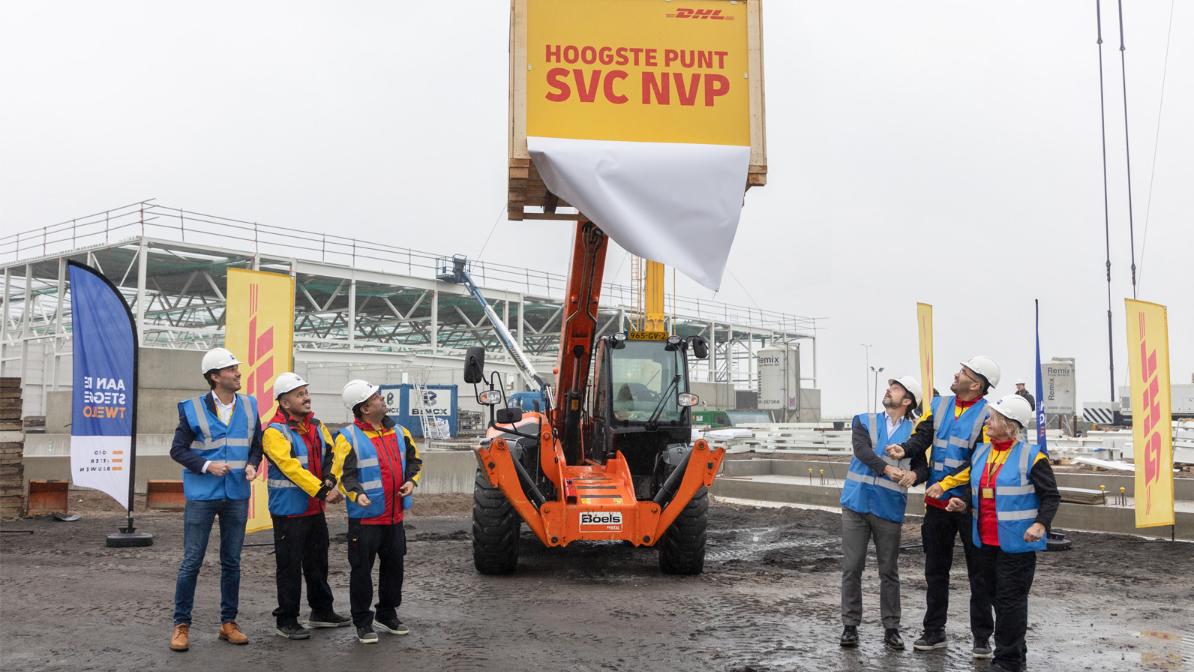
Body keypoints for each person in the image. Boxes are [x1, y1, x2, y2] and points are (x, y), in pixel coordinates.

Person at [886, 355, 999, 658]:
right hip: (936, 505)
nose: (956, 373)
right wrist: (904, 449)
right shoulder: (939, 405)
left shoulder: (989, 416)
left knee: (979, 574)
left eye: (963, 372)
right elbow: (921, 436)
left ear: (976, 384)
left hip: (969, 506)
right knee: (935, 571)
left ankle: (982, 637)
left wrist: (947, 485)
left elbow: (979, 461)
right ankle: (934, 631)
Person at [942, 394, 1059, 672]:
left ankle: (1007, 660)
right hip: (984, 541)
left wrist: (1040, 524)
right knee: (995, 596)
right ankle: (1016, 650)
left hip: (1017, 544)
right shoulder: (982, 452)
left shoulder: (1033, 457)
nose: (988, 422)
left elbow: (1051, 496)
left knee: (1010, 601)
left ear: (1010, 425)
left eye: (993, 418)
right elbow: (982, 494)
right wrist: (963, 505)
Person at [168, 347, 264, 652]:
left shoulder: (249, 406)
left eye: (237, 368)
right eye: (231, 369)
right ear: (214, 377)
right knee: (191, 562)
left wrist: (252, 463)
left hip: (236, 494)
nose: (238, 373)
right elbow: (178, 450)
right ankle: (181, 625)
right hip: (202, 495)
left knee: (232, 562)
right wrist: (207, 466)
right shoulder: (192, 409)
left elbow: (256, 445)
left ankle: (228, 623)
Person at [839, 376, 926, 651]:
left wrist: (914, 474)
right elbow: (862, 452)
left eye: (896, 388)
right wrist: (888, 469)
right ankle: (850, 626)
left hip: (888, 509)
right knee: (852, 568)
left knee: (888, 571)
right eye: (891, 387)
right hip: (857, 504)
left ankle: (891, 629)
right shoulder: (863, 420)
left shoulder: (915, 432)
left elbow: (924, 467)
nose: (889, 390)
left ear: (908, 400)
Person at [262, 372, 352, 639]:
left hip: (313, 509)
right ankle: (287, 620)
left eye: (306, 392)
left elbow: (330, 452)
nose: (307, 398)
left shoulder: (316, 425)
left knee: (317, 562)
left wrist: (330, 477)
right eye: (300, 394)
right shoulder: (273, 433)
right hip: (289, 510)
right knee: (289, 566)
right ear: (285, 402)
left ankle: (321, 611)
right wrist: (323, 490)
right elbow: (291, 468)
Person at [334, 379, 423, 644]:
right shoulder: (347, 437)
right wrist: (356, 493)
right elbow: (343, 474)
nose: (382, 399)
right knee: (361, 571)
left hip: (394, 516)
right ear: (364, 408)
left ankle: (387, 613)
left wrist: (411, 481)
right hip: (365, 519)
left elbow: (415, 461)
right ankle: (363, 621)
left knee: (394, 567)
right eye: (376, 397)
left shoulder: (400, 432)